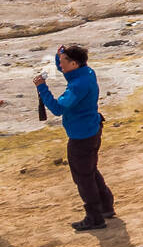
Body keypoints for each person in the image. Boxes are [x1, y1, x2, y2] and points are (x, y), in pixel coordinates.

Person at [34, 44, 115, 231]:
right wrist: (59, 56)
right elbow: (66, 70)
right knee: (90, 171)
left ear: (74, 63)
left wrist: (42, 88)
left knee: (83, 178)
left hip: (81, 137)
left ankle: (95, 218)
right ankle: (105, 207)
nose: (59, 65)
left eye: (63, 62)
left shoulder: (78, 86)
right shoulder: (86, 72)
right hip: (92, 128)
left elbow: (57, 108)